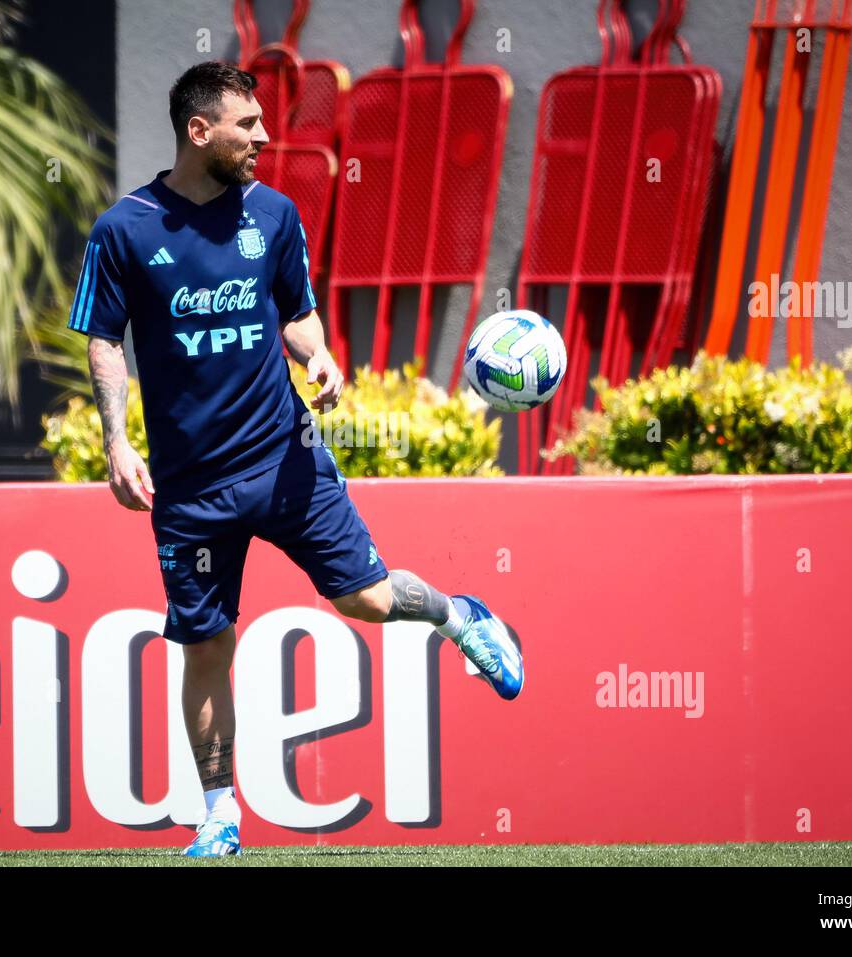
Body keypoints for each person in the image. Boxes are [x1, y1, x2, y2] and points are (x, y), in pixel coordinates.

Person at [68, 61, 523, 858]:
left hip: (289, 459)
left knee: (370, 603)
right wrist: (116, 440)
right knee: (207, 645)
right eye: (248, 125)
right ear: (199, 130)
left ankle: (461, 616)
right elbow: (106, 342)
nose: (265, 138)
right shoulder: (124, 230)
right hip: (191, 489)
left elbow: (297, 315)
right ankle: (219, 815)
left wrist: (318, 357)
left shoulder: (274, 215)